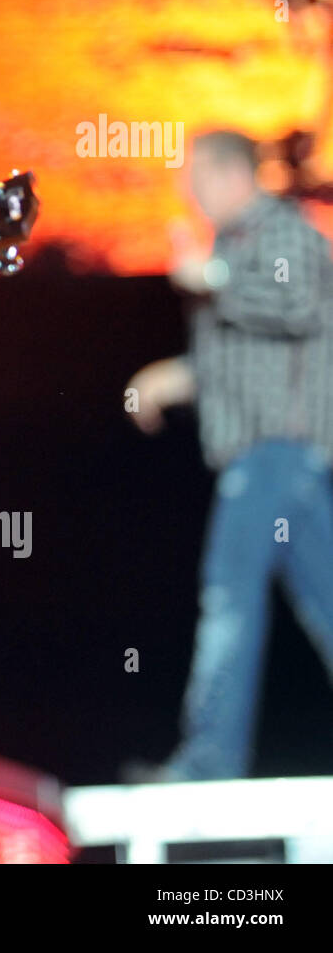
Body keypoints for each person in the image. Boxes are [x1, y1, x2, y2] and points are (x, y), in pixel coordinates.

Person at [125, 128, 333, 781]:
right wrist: (173, 378)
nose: (190, 191)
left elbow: (297, 302)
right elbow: (242, 356)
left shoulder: (285, 235)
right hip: (275, 461)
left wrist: (213, 278)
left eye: (195, 176)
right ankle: (210, 759)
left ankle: (209, 764)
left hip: (275, 454)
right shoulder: (237, 245)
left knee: (229, 600)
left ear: (227, 174)